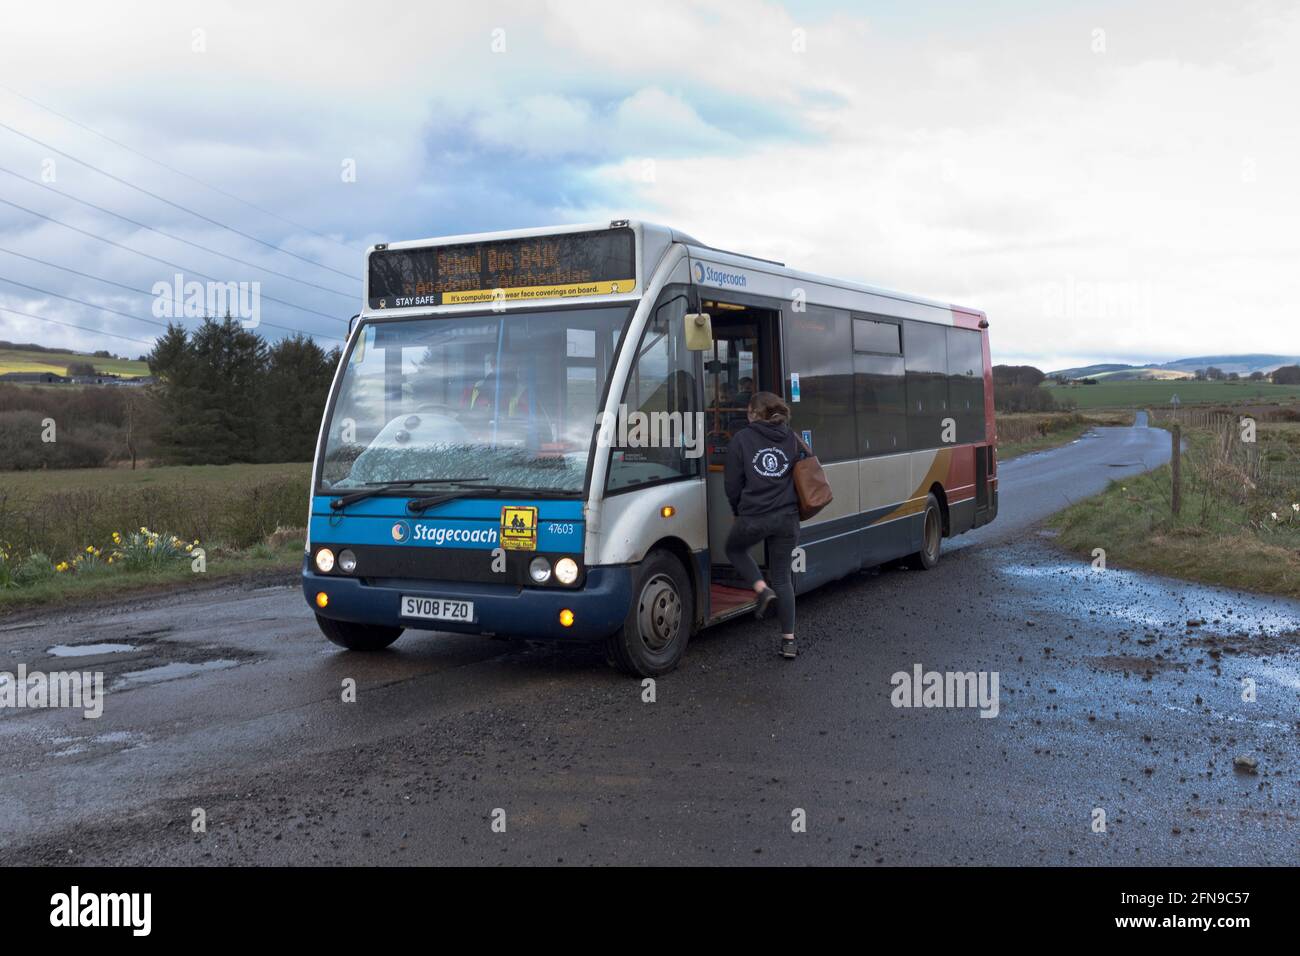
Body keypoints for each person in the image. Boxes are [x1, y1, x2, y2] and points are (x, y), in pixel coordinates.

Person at [723, 391, 803, 659]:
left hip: (755, 517)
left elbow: (732, 485)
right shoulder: (791, 437)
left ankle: (760, 589)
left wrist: (737, 510)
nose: (746, 416)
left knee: (734, 550)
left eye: (748, 412)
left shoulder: (742, 439)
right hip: (787, 518)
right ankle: (789, 641)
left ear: (755, 414)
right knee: (783, 578)